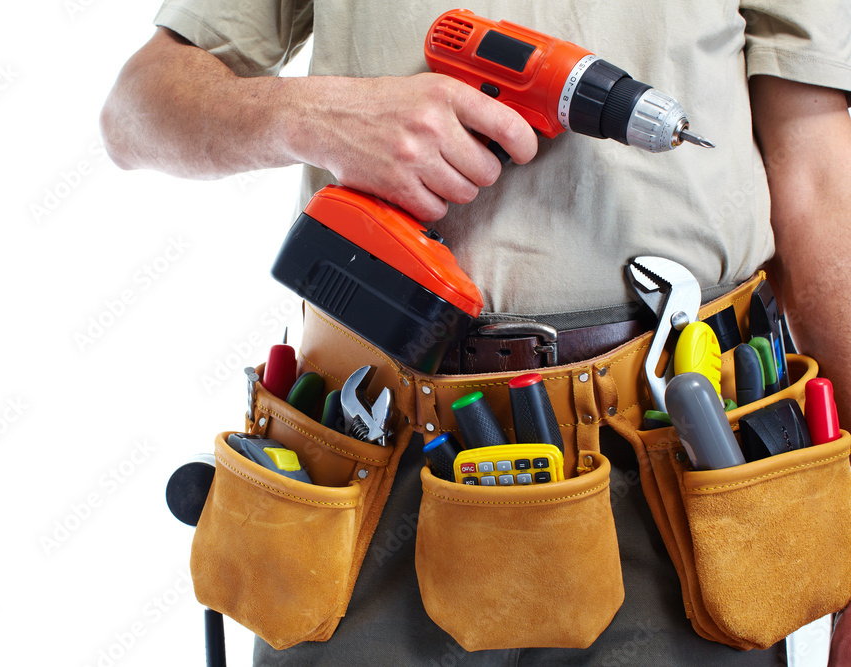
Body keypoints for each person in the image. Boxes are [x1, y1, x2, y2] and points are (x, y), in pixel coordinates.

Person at [100, 2, 851, 664]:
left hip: (680, 469)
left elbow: (819, 188)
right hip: (375, 464)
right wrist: (316, 115)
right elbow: (135, 112)